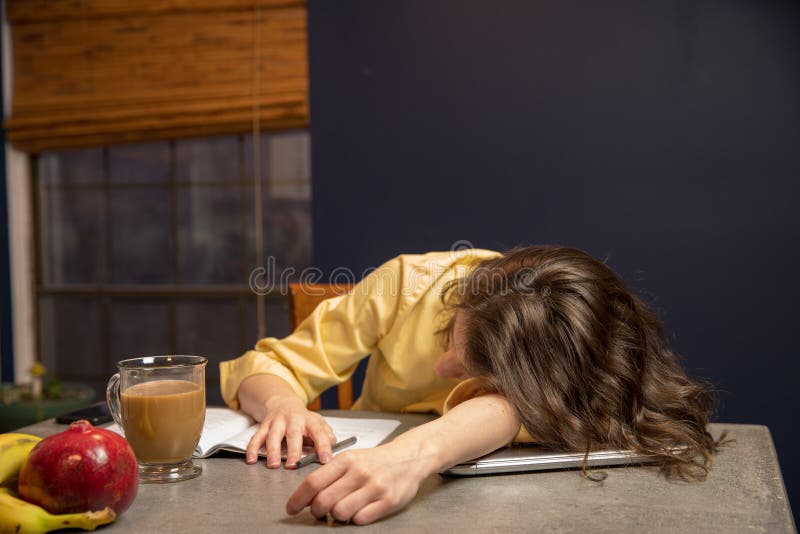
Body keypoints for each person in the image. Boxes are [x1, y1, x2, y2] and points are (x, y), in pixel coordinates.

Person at [220, 246, 720, 525]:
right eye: (453, 336)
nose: (443, 367)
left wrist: (410, 456)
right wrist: (284, 401)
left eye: (468, 368)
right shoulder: (413, 283)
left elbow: (508, 412)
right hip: (355, 487)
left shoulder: (559, 367)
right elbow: (266, 364)